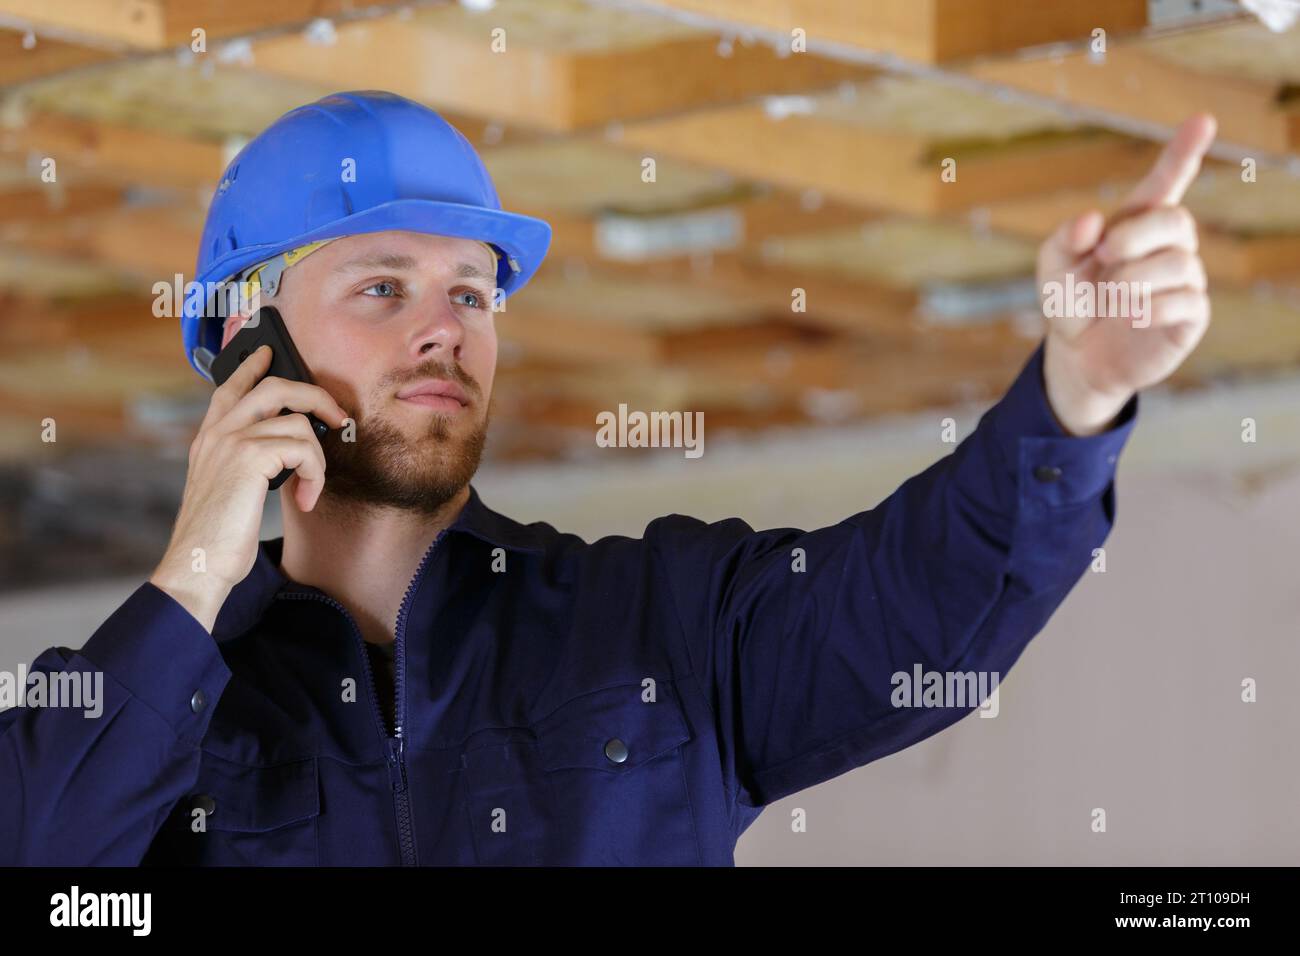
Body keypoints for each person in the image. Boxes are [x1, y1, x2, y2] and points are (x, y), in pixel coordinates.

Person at [0, 91, 1214, 865]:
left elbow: (911, 609)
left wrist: (1075, 393)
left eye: (470, 292)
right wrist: (187, 588)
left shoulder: (664, 622)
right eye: (382, 286)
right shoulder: (155, 714)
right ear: (243, 349)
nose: (445, 328)